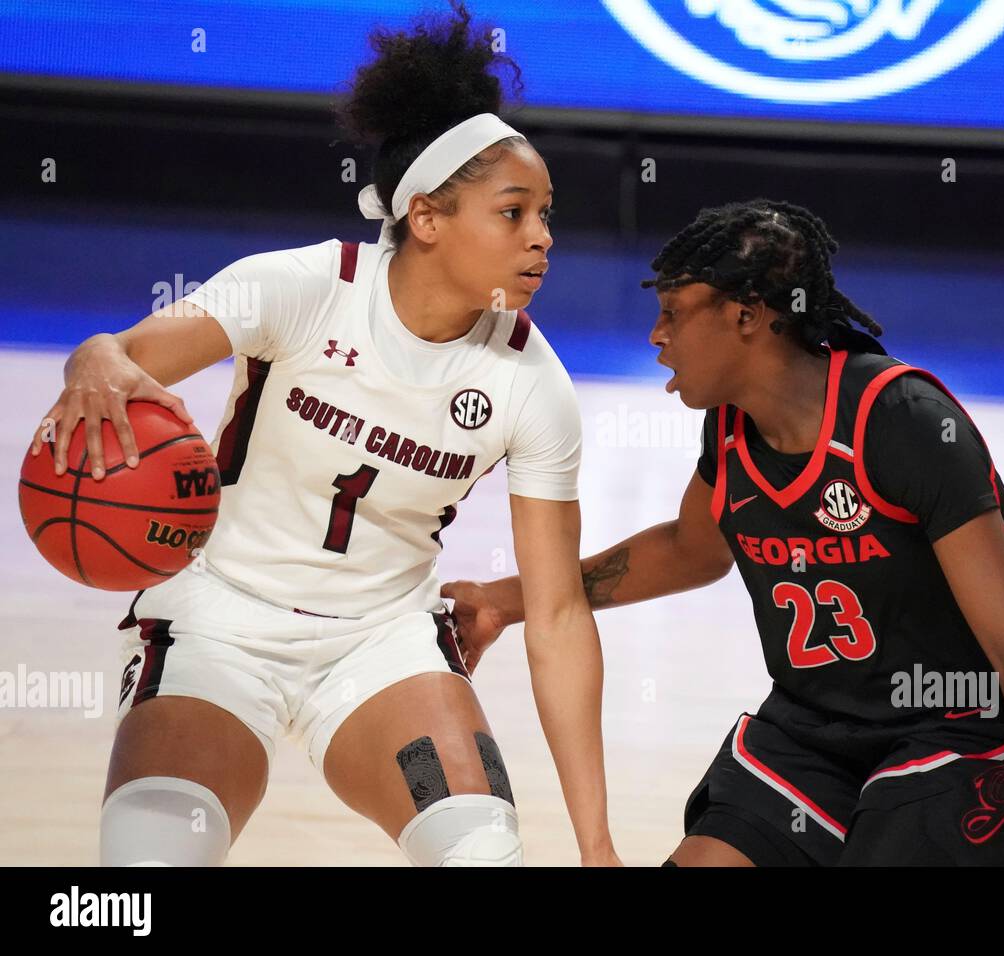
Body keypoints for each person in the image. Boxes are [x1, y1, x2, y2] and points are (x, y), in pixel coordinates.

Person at [28, 4, 619, 867]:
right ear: (426, 217)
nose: (543, 238)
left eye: (546, 213)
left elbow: (559, 615)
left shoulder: (535, 384)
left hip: (383, 640)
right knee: (148, 857)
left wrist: (598, 847)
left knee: (484, 853)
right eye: (514, 212)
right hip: (218, 619)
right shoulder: (303, 286)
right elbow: (121, 354)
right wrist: (91, 359)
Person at [446, 198, 1004, 866]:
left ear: (746, 315)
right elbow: (688, 552)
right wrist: (505, 601)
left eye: (673, 313)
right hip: (813, 733)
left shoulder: (901, 421)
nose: (657, 336)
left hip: (959, 728)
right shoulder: (729, 428)